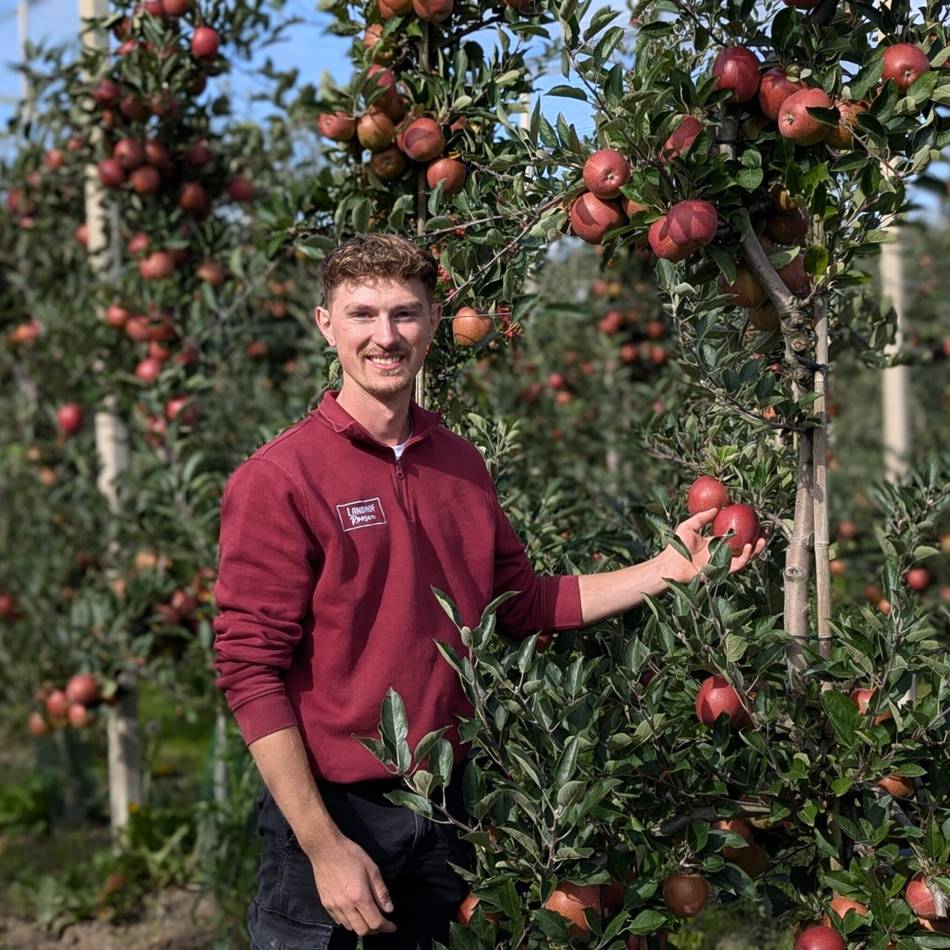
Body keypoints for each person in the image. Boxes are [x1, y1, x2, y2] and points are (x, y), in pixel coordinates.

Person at [212, 233, 764, 949]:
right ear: (326, 325)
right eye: (363, 314)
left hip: (448, 808)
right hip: (335, 811)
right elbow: (250, 671)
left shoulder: (460, 465)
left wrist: (667, 569)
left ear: (435, 322)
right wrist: (322, 846)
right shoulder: (280, 479)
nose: (386, 337)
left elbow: (524, 602)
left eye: (405, 314)